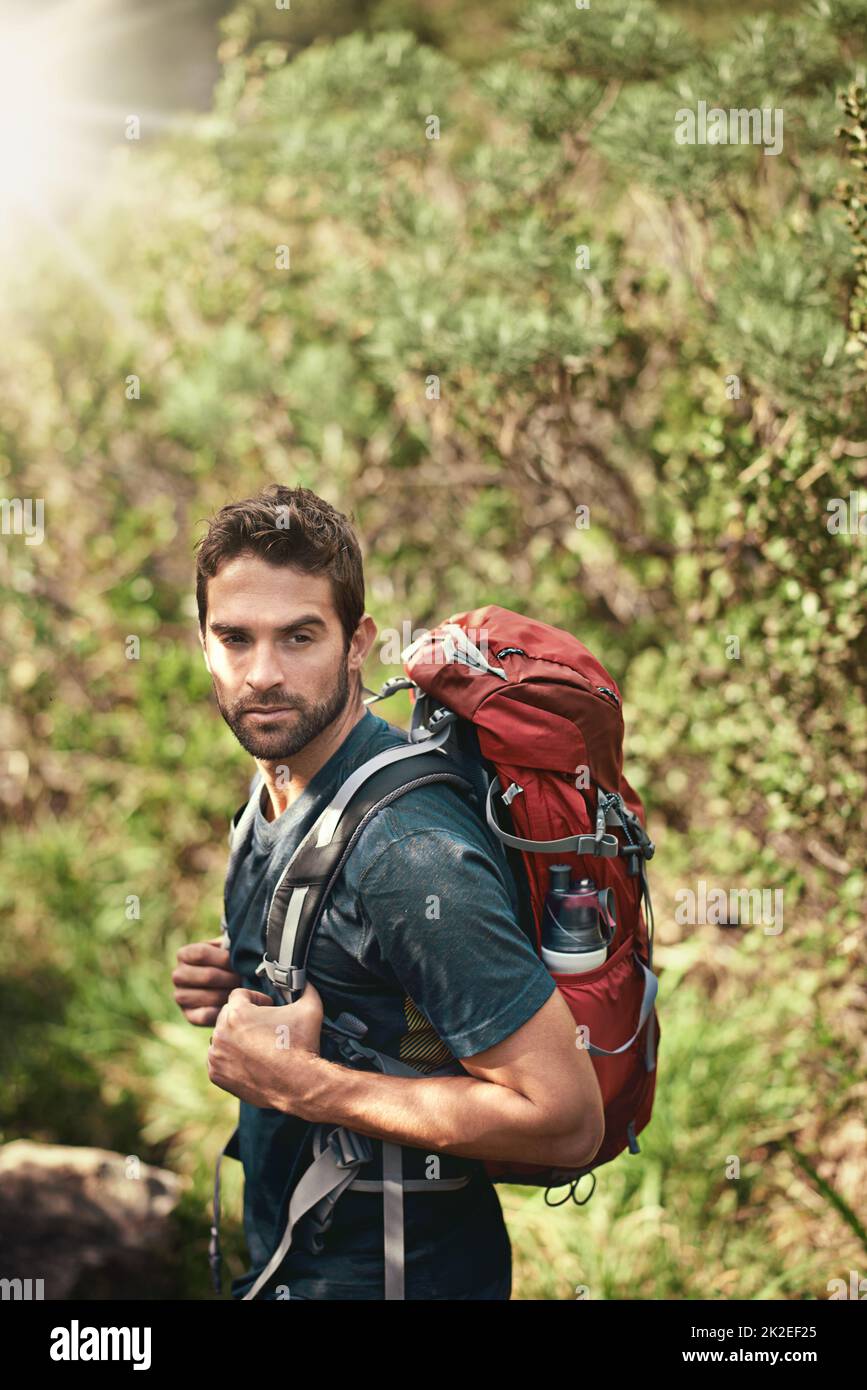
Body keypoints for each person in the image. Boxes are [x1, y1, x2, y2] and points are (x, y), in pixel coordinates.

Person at [173, 483, 604, 1300]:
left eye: (299, 636)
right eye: (235, 638)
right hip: (292, 1260)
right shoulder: (278, 791)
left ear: (355, 643)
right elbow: (375, 990)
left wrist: (306, 1087)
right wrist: (243, 976)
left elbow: (565, 1119)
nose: (262, 675)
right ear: (202, 643)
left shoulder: (409, 854)